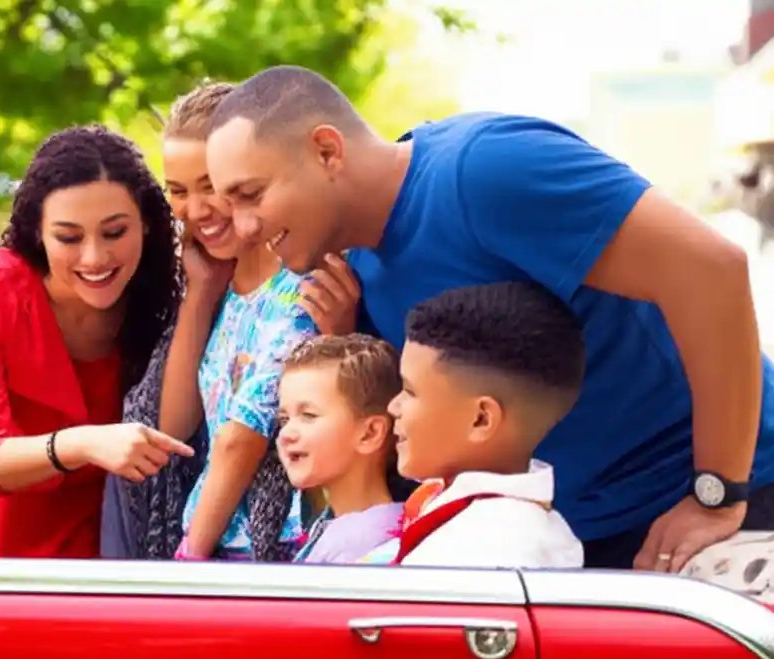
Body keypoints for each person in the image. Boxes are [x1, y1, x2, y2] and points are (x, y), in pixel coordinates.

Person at [204, 65, 774, 571]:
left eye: (251, 194)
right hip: (575, 541)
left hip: (721, 506)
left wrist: (717, 490)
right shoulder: (351, 269)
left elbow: (711, 272)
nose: (244, 226)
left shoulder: (486, 170)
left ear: (327, 151)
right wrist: (350, 339)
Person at [100, 82, 360, 561]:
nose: (196, 210)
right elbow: (174, 427)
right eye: (178, 191)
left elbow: (241, 438)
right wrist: (199, 294)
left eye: (210, 187)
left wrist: (188, 561)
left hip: (275, 549)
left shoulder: (299, 287)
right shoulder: (219, 290)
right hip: (219, 545)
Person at [0, 125, 194, 559]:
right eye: (69, 238)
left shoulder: (168, 298)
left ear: (145, 223)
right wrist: (81, 444)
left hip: (105, 572)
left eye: (115, 233)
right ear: (38, 234)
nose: (94, 258)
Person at [379, 282, 585, 568]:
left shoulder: (489, 552)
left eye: (410, 391)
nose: (393, 407)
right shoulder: (460, 513)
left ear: (481, 419)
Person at [277, 334, 405, 564]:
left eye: (308, 416)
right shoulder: (340, 528)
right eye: (284, 419)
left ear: (370, 433)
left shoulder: (358, 547)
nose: (286, 434)